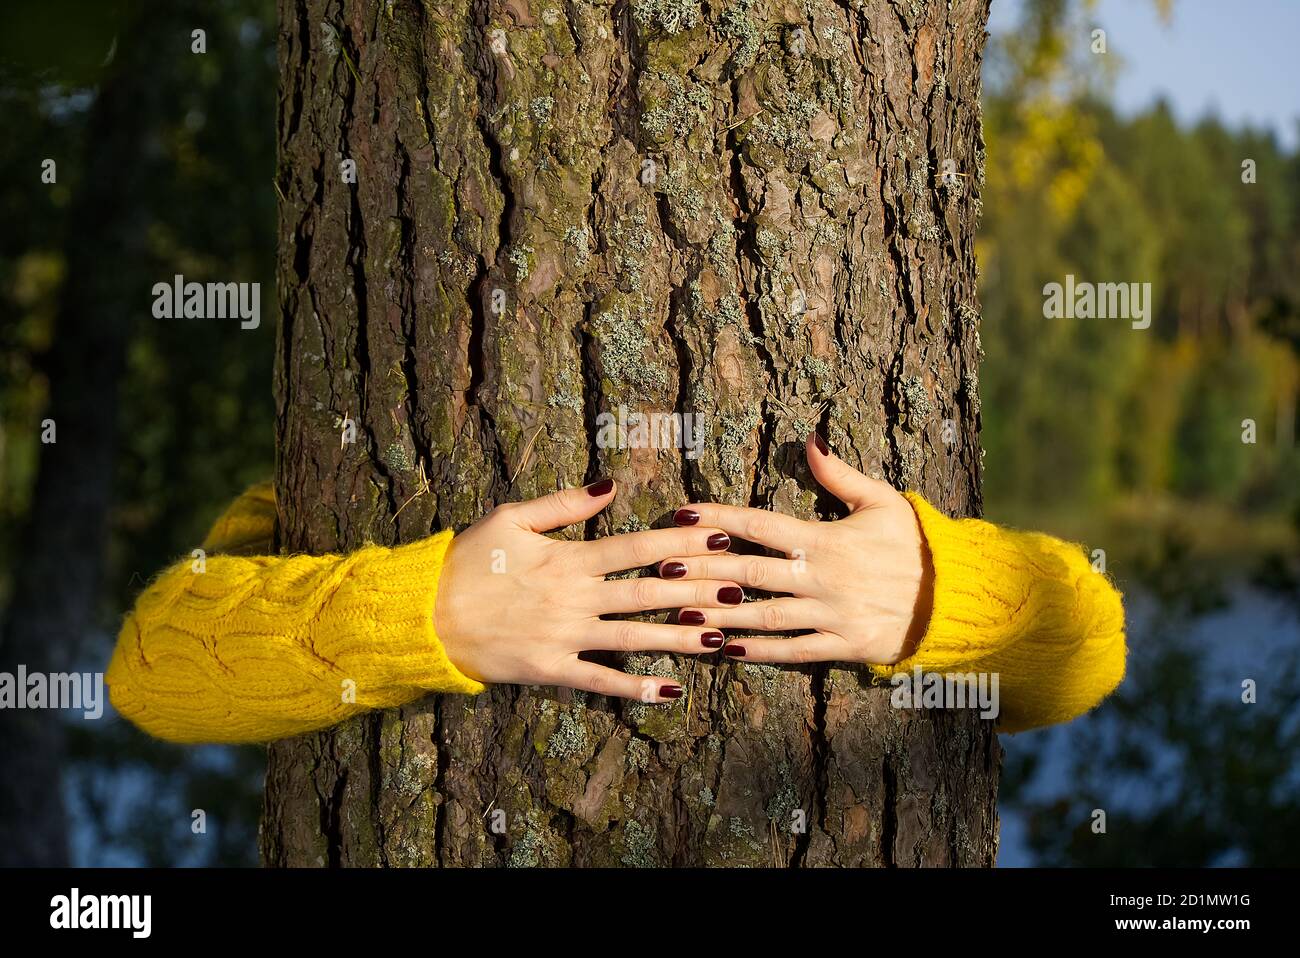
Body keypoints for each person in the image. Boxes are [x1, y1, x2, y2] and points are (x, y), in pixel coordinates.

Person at [106, 435, 1126, 743]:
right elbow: (153, 670)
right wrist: (430, 616)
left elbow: (1089, 653)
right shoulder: (310, 478)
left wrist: (938, 592)